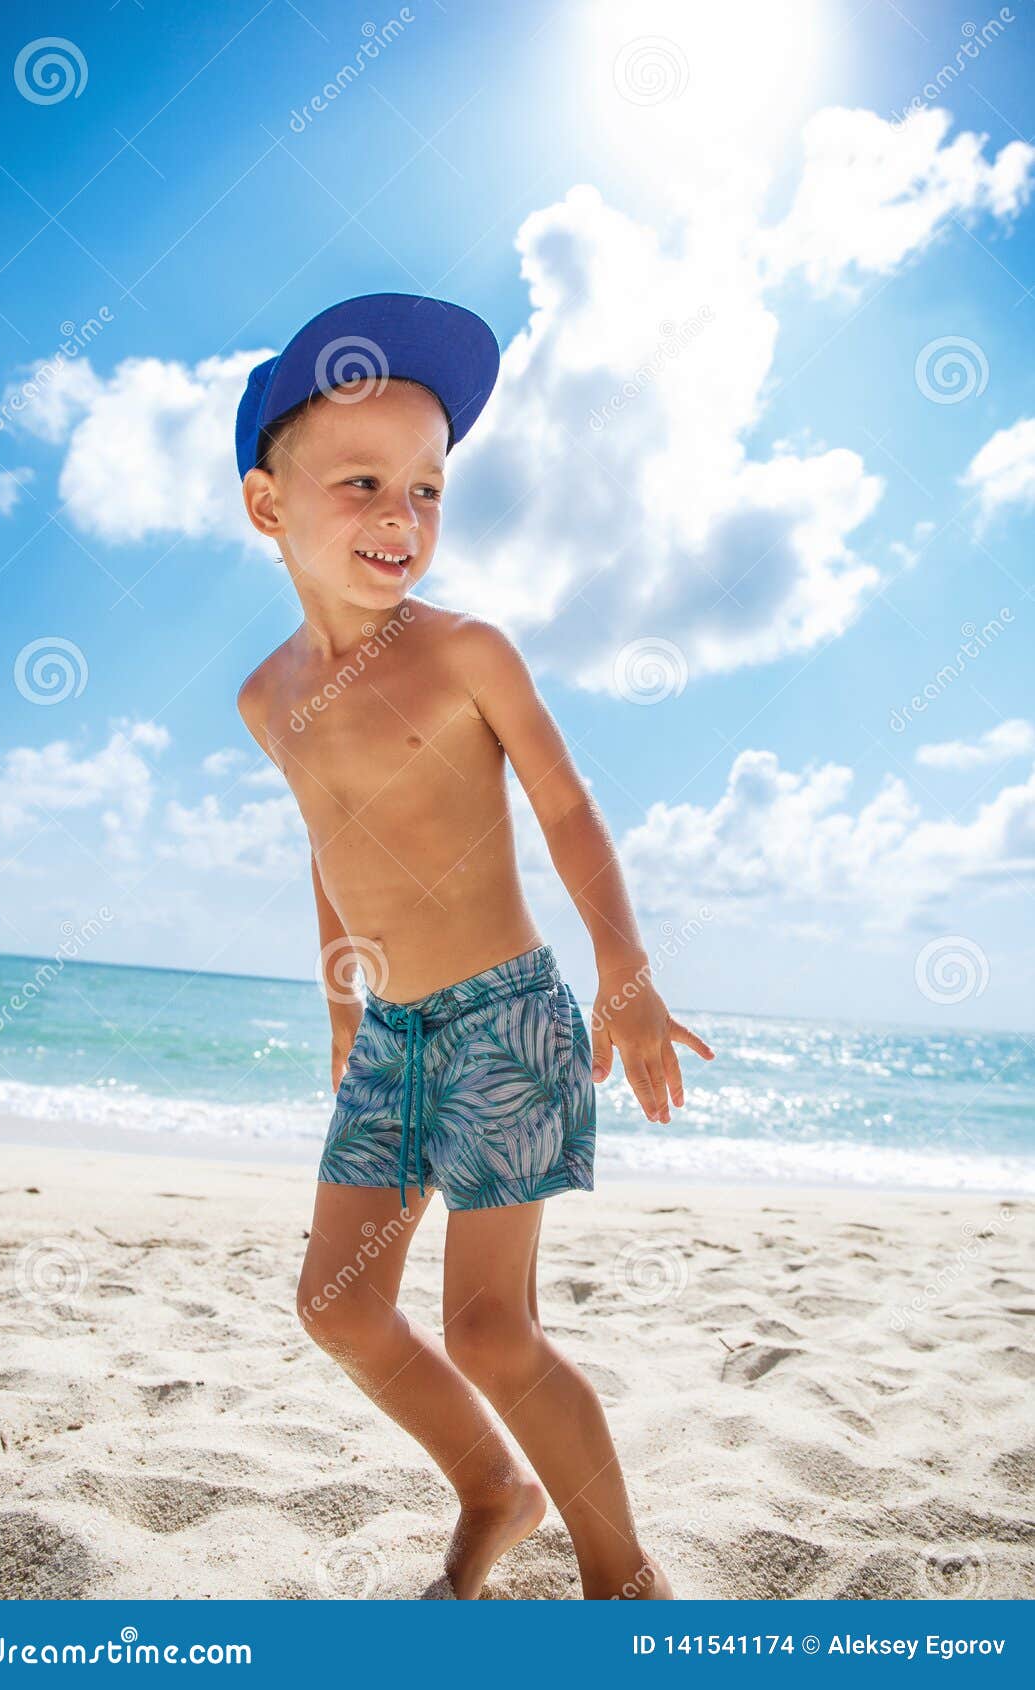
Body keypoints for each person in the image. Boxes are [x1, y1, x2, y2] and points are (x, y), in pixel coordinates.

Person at [234, 293, 714, 1600]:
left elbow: (564, 803)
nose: (404, 518)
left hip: (506, 1017)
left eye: (431, 490)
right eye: (366, 482)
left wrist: (624, 968)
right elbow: (326, 844)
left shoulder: (465, 657)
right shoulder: (268, 697)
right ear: (268, 507)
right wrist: (342, 996)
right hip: (393, 1033)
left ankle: (624, 1575)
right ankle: (492, 1487)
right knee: (336, 1304)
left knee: (492, 1328)